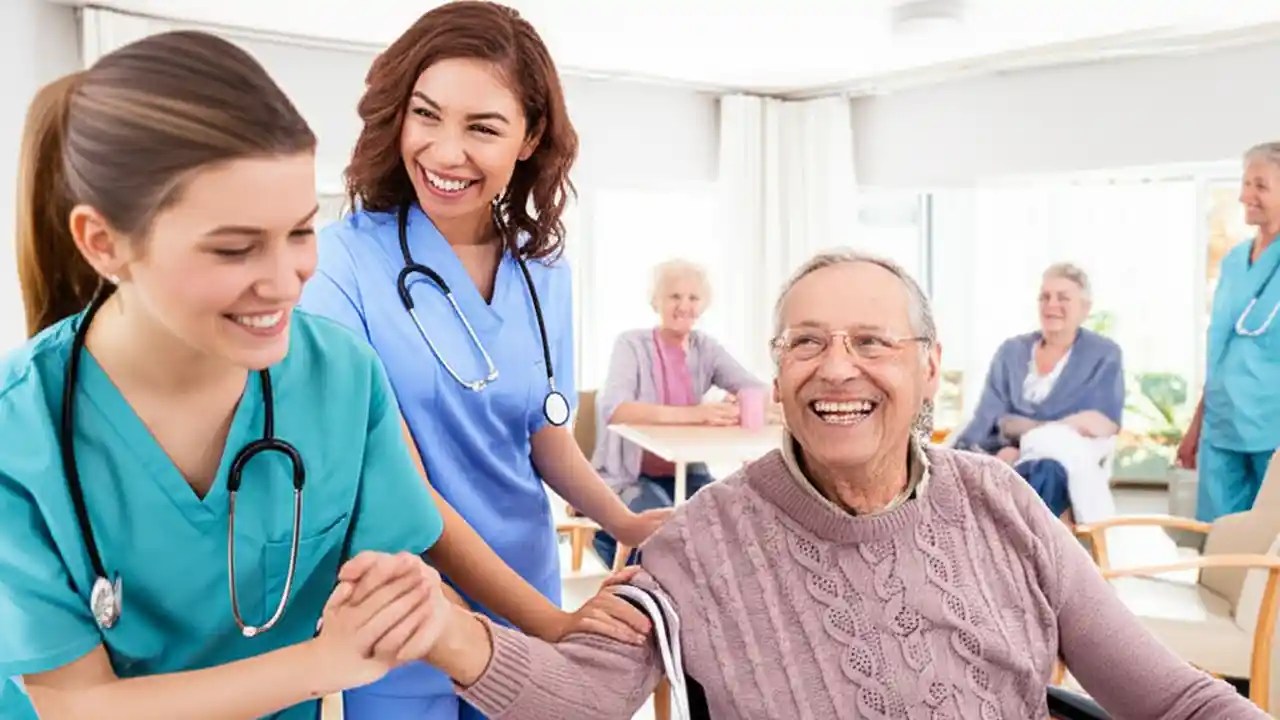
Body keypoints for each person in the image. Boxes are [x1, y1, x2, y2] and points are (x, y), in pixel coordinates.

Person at [341, 248, 1267, 718]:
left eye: (872, 342)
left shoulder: (1002, 500)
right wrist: (452, 633)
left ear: (930, 365)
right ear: (776, 371)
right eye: (807, 343)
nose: (838, 369)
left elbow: (1174, 699)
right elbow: (578, 701)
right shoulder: (702, 541)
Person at [0, 32, 452, 720]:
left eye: (302, 232)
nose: (286, 281)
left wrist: (404, 595)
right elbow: (74, 705)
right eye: (236, 248)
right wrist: (321, 663)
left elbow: (392, 575)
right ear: (103, 243)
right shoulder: (18, 431)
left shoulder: (340, 378)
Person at [298, 2, 667, 717]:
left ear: (529, 138)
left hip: (528, 571)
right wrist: (549, 623)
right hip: (407, 597)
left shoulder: (542, 270)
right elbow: (396, 487)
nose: (444, 151)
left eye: (483, 128)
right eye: (426, 115)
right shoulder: (338, 263)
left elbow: (544, 433)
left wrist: (622, 521)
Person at [591, 258, 767, 567]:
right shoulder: (632, 344)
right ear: (656, 300)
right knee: (664, 534)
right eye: (674, 296)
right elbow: (615, 410)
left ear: (703, 305)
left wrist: (744, 401)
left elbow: (753, 387)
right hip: (632, 475)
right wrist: (697, 414)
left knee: (730, 526)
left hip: (689, 471)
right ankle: (617, 555)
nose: (684, 305)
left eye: (693, 298)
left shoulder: (705, 347)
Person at [952, 262, 1124, 522]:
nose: (1051, 305)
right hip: (1001, 455)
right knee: (961, 471)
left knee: (1047, 471)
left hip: (1055, 462)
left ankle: (1007, 546)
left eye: (1063, 297)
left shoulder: (1102, 355)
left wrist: (1024, 439)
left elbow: (1102, 423)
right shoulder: (1012, 352)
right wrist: (991, 452)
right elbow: (989, 417)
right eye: (1044, 297)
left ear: (1085, 308)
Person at [1179, 142, 1280, 522]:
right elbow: (1221, 349)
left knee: (1268, 550)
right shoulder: (1235, 260)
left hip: (1273, 428)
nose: (1245, 196)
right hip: (1222, 428)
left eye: (1260, 185)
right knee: (1217, 547)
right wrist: (1196, 425)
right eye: (1245, 183)